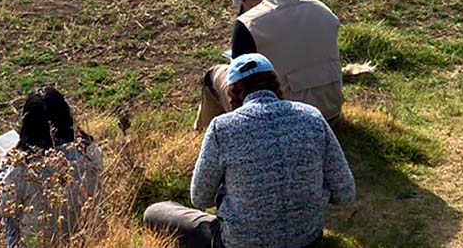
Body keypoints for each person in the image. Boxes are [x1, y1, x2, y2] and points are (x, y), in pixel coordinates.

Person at [146, 53, 356, 248]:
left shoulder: (222, 128)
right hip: (306, 240)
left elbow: (201, 198)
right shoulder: (312, 117)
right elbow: (345, 193)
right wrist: (311, 195)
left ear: (232, 92)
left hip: (241, 242)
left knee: (154, 212)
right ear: (276, 84)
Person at [196, 0, 343, 130]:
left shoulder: (249, 23)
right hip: (330, 112)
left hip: (281, 123)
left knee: (212, 76)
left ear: (245, 3)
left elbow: (237, 82)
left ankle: (208, 134)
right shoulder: (321, 8)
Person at [0, 87, 103, 248]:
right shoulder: (91, 151)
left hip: (37, 242)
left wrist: (4, 164)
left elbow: (3, 205)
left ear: (28, 124)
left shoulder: (23, 169)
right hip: (89, 238)